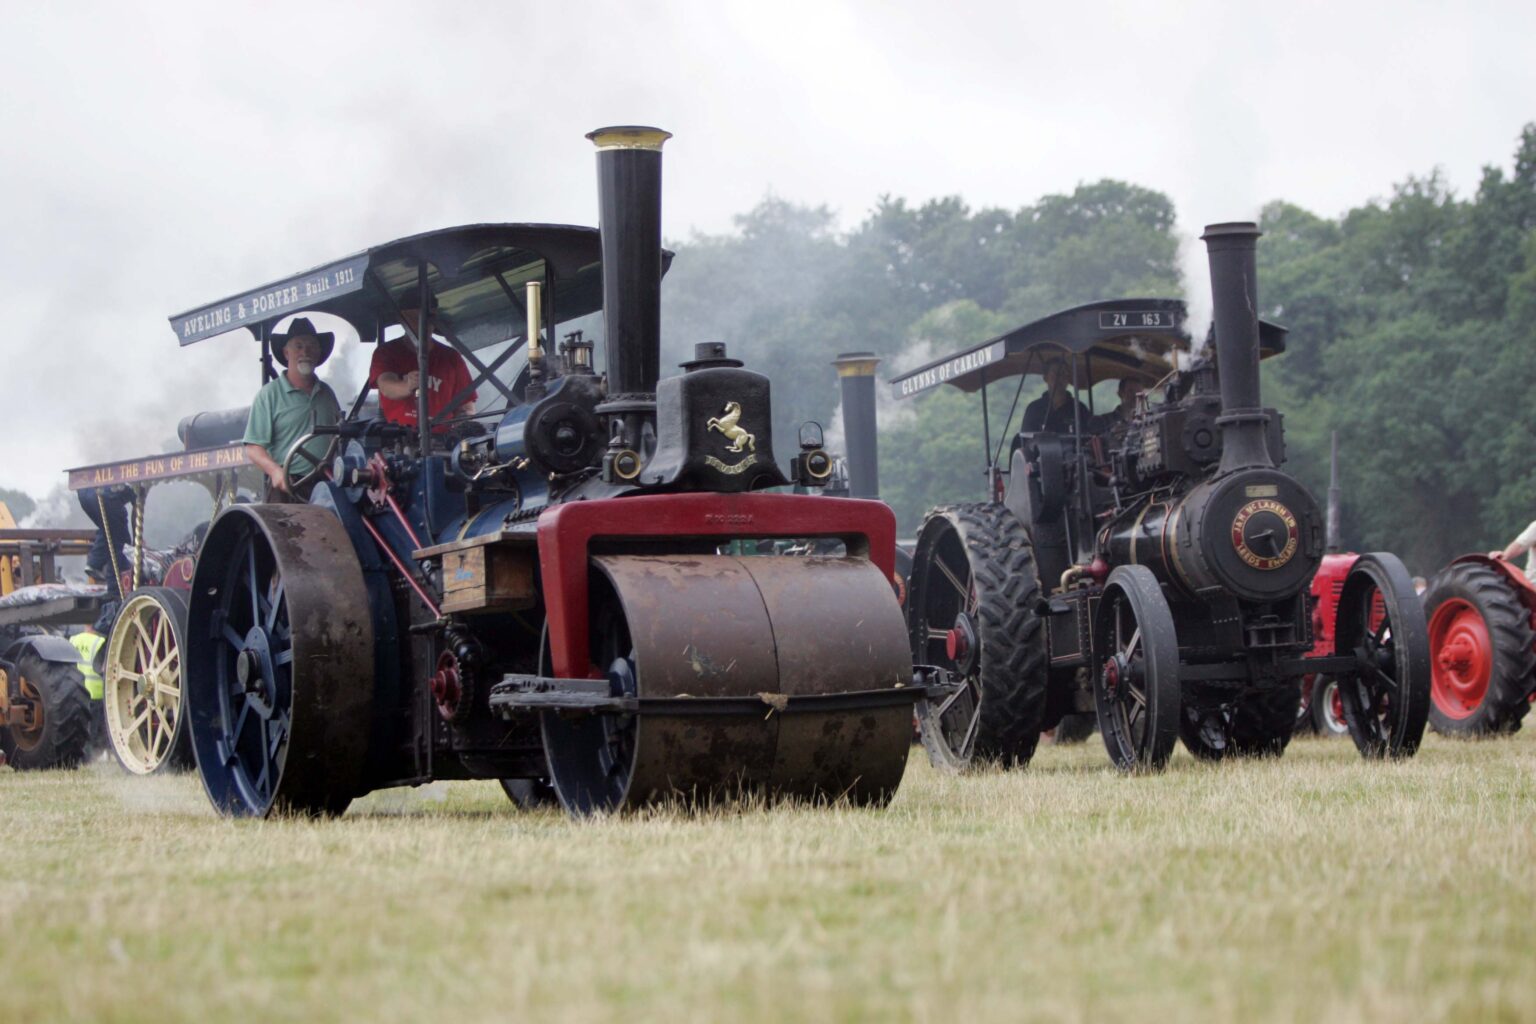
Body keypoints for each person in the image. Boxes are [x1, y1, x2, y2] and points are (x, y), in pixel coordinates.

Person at [243, 317, 342, 500]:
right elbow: (253, 448)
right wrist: (275, 472)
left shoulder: (327, 394)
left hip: (327, 485)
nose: (305, 351)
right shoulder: (268, 395)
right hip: (288, 486)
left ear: (319, 352)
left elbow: (340, 437)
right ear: (286, 353)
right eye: (298, 346)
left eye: (312, 346)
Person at [370, 292, 476, 432]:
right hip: (398, 441)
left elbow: (467, 408)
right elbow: (386, 386)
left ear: (435, 316)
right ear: (402, 318)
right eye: (415, 318)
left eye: (428, 317)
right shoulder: (386, 352)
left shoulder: (452, 357)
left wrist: (461, 427)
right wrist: (408, 385)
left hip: (443, 443)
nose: (422, 323)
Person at [77, 484, 134, 598]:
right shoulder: (139, 483)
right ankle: (115, 589)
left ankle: (94, 563)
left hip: (83, 493)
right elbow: (136, 512)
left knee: (108, 528)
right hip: (104, 495)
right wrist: (137, 539)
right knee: (121, 540)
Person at [1021, 356, 1092, 434]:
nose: (1061, 377)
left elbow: (1089, 438)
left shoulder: (1080, 409)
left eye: (1064, 373)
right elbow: (1025, 441)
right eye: (1056, 373)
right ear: (1045, 378)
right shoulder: (1034, 409)